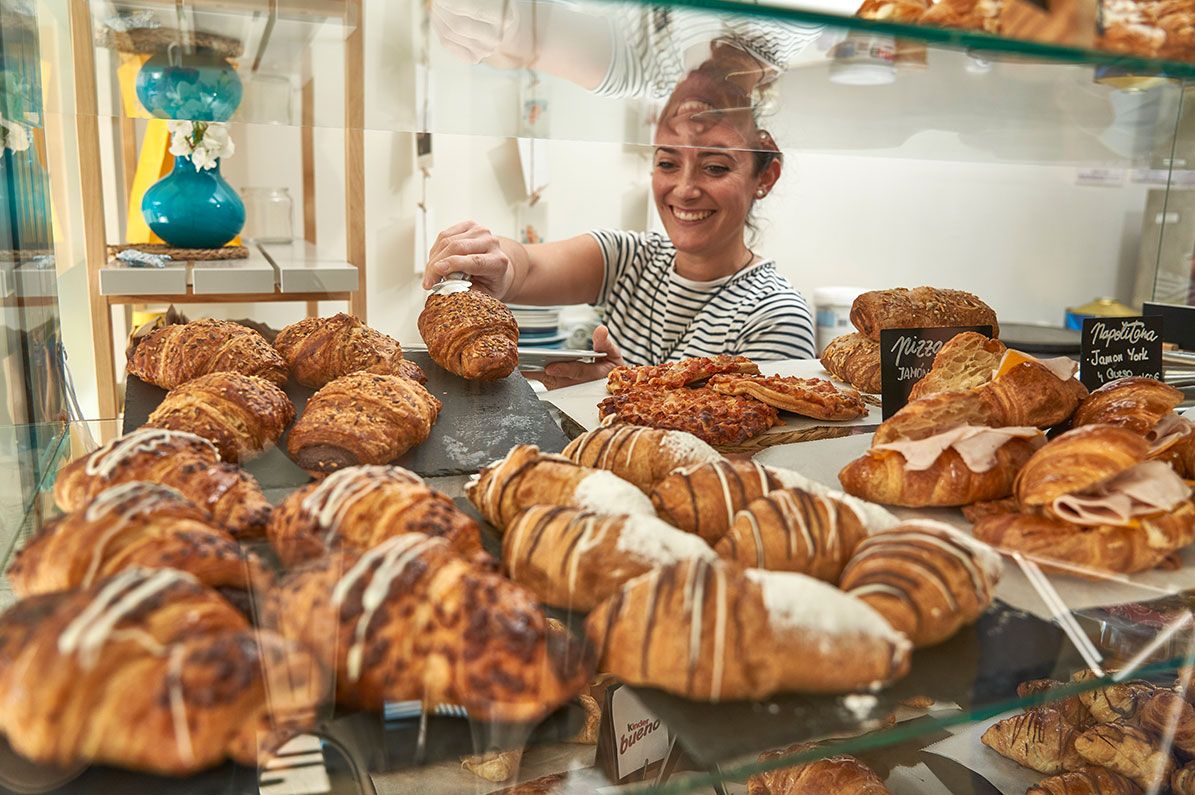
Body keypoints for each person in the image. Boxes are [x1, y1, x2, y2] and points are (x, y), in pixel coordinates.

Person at [422, 48, 817, 389]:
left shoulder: (776, 315)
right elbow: (526, 267)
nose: (684, 189)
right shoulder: (631, 258)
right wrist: (494, 260)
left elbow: (753, 456)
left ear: (764, 177)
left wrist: (622, 390)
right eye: (667, 162)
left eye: (715, 167)